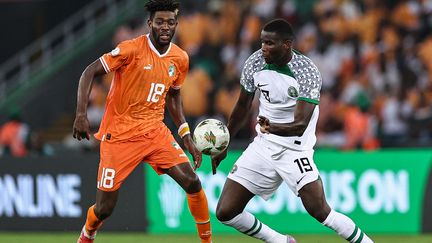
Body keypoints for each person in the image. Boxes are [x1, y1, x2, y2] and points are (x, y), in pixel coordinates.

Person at [211, 19, 373, 243]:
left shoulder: (306, 73)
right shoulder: (254, 63)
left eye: (270, 43)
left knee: (320, 211)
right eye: (262, 42)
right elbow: (241, 106)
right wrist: (225, 142)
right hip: (263, 146)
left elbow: (299, 126)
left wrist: (271, 127)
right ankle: (280, 241)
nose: (263, 48)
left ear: (286, 44)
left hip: (295, 150)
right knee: (225, 212)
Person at [73, 1, 212, 242]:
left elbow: (174, 96)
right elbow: (89, 72)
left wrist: (186, 137)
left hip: (155, 132)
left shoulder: (180, 58)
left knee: (192, 181)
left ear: (177, 24)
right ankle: (88, 233)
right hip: (119, 136)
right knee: (104, 208)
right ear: (150, 24)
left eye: (170, 22)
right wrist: (81, 114)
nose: (165, 27)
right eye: (159, 22)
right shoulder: (130, 49)